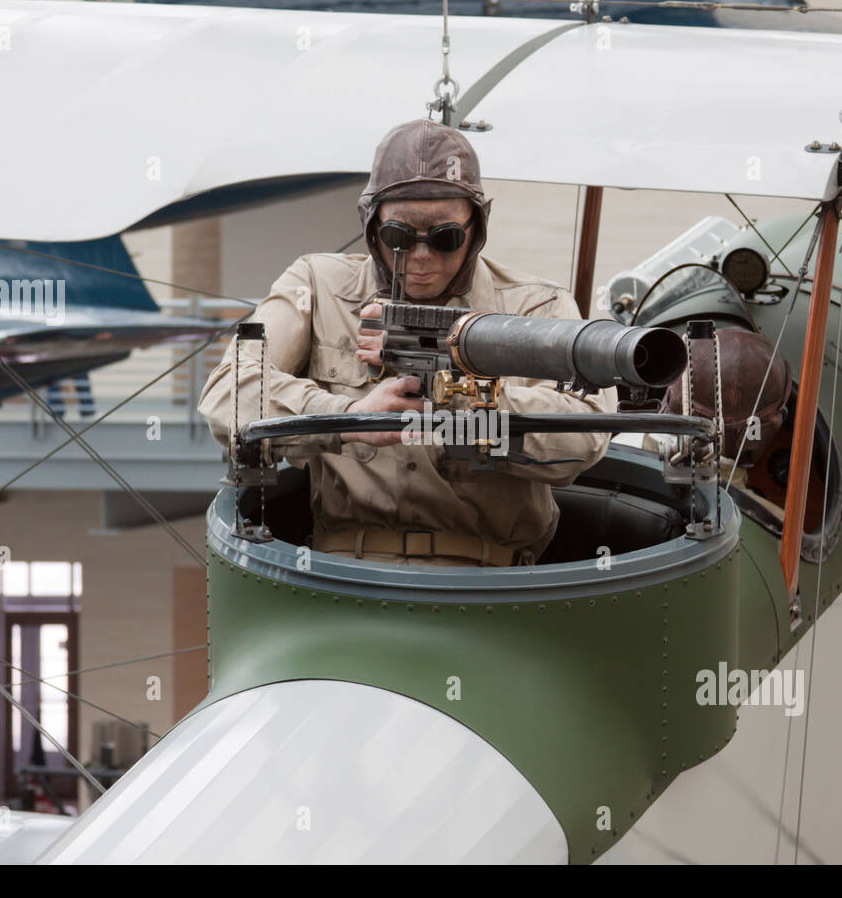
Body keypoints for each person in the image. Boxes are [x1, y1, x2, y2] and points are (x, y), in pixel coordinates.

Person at [198, 119, 616, 566]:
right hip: (342, 574)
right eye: (399, 237)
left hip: (488, 580)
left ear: (476, 228)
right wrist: (347, 418)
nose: (420, 258)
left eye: (445, 238)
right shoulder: (318, 287)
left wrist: (451, 392)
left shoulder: (533, 306)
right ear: (371, 225)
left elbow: (586, 434)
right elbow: (227, 398)